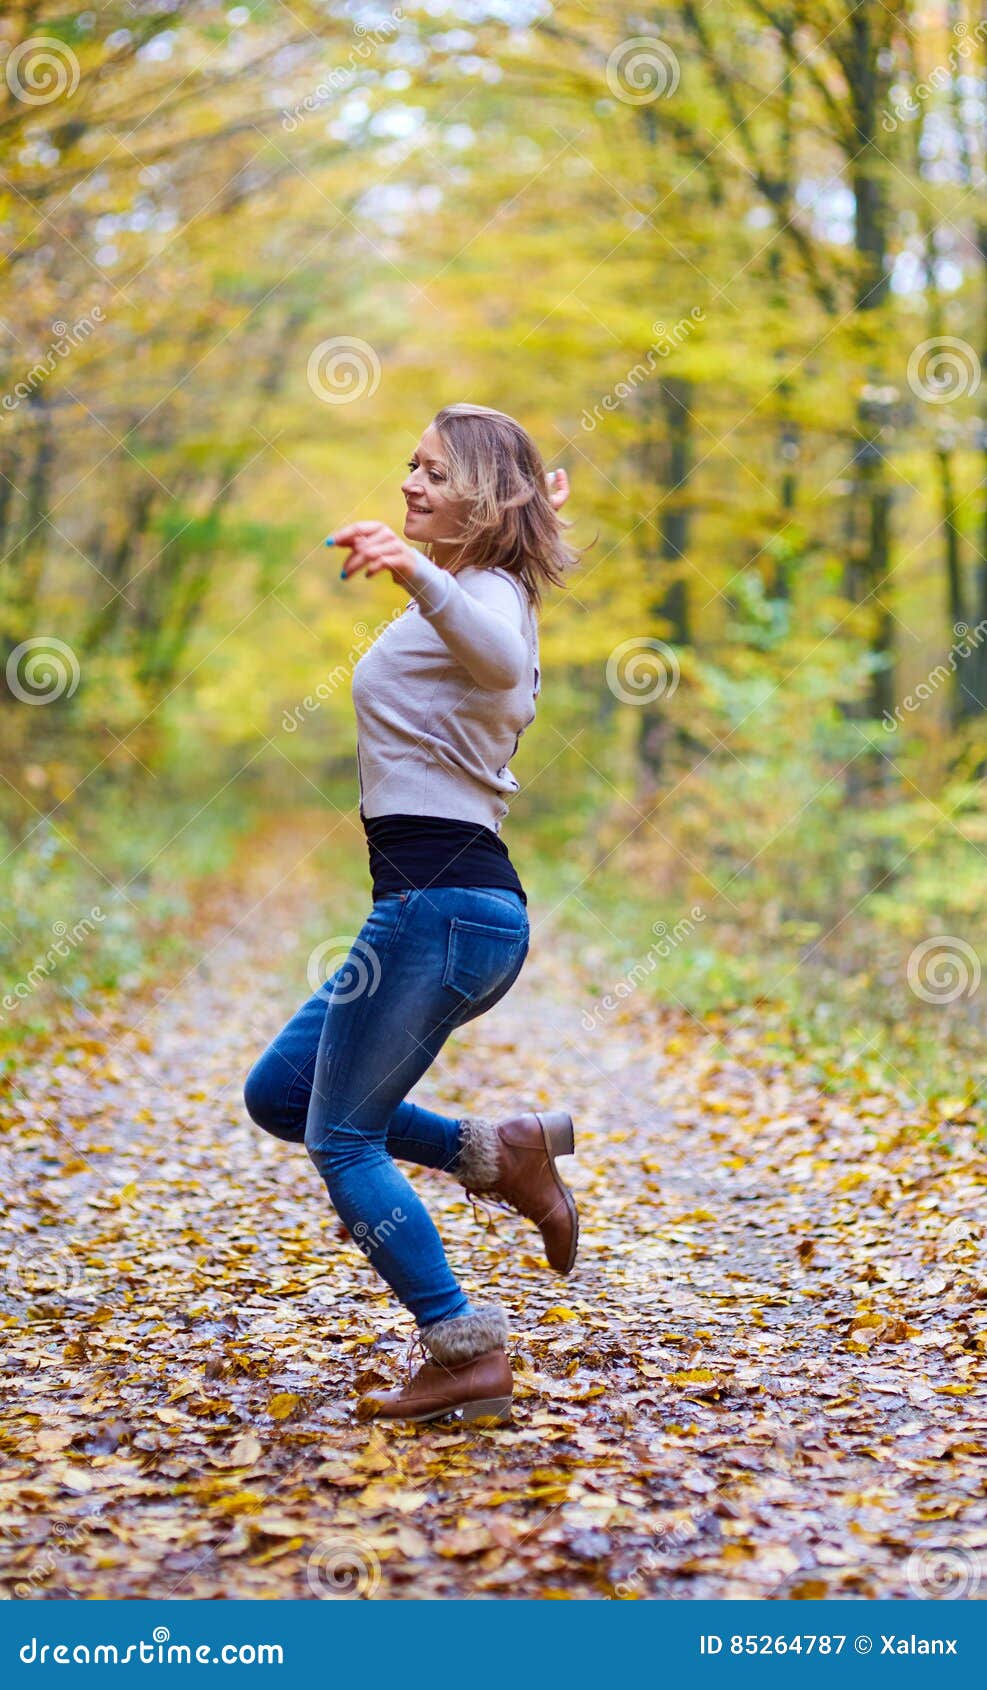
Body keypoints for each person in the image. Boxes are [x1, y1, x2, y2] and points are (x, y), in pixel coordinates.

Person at [243, 402, 581, 1425]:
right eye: (410, 466)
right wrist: (494, 533)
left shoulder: (477, 601)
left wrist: (416, 569)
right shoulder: (488, 586)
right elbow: (484, 624)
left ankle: (461, 1346)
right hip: (433, 906)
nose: (410, 483)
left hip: (443, 909)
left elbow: (495, 657)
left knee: (340, 1137)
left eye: (434, 471)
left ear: (481, 492)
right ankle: (504, 1150)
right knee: (283, 1091)